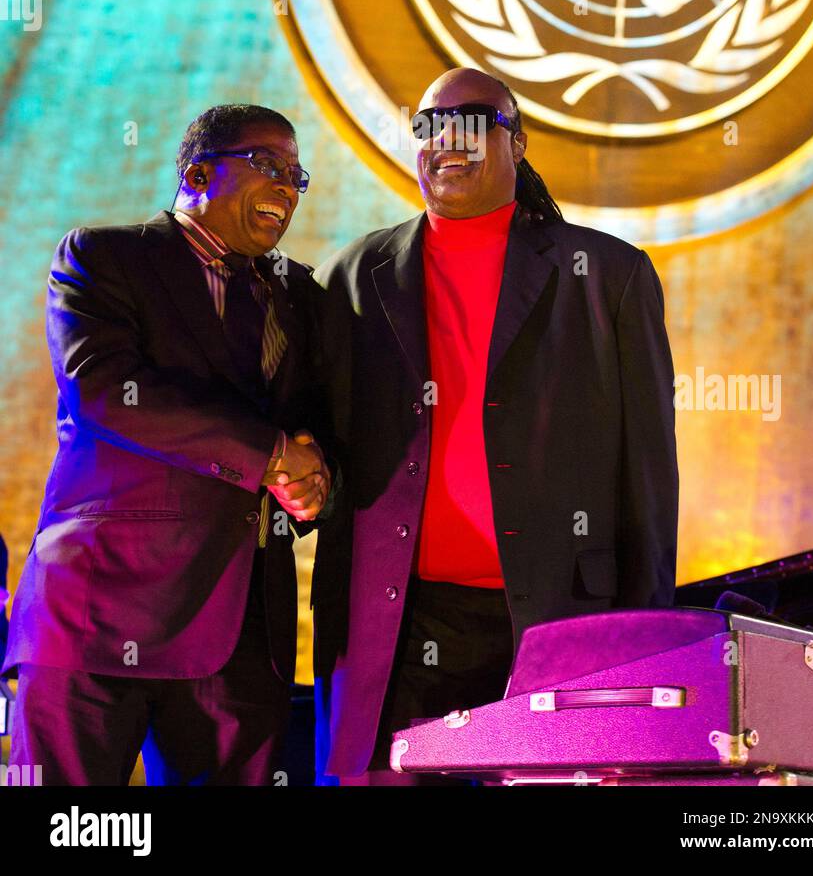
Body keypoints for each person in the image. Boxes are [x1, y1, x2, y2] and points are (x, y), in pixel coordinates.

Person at [312, 68, 678, 784]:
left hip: (559, 617)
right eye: (426, 125)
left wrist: (645, 641)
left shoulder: (607, 274)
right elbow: (316, 435)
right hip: (399, 622)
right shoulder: (356, 273)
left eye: (473, 120)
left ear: (519, 141)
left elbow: (647, 481)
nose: (445, 138)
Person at [4, 104, 334, 785]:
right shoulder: (103, 256)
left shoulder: (299, 293)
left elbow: (316, 423)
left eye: (296, 176)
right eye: (267, 165)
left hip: (242, 629)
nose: (285, 188)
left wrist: (317, 476)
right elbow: (103, 390)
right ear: (197, 173)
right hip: (96, 614)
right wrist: (270, 453)